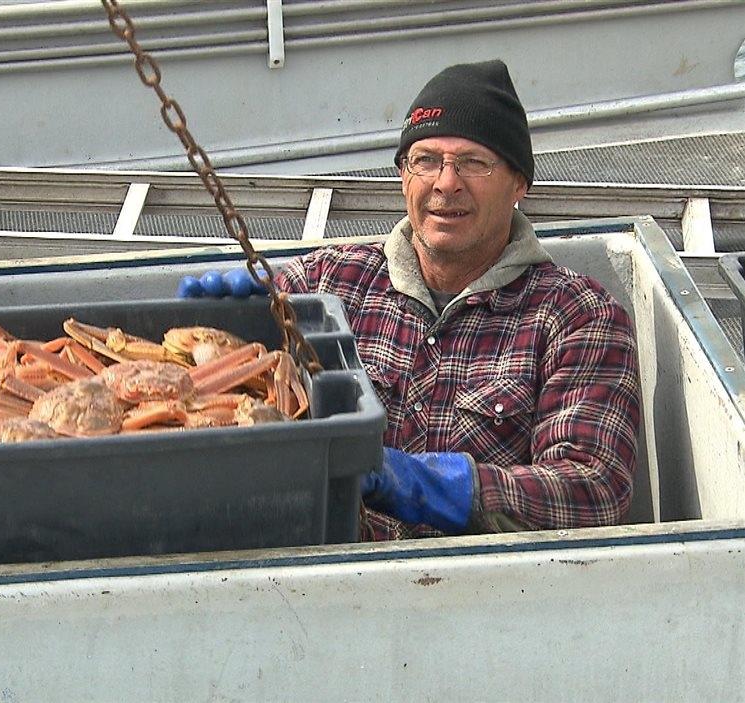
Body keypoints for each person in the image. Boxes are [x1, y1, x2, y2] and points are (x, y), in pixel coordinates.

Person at [182, 60, 641, 540]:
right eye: (426, 160)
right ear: (404, 176)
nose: (446, 183)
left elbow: (596, 489)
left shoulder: (578, 316)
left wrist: (443, 487)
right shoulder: (332, 279)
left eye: (473, 162)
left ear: (519, 183)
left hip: (479, 596)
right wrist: (229, 317)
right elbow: (209, 390)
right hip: (318, 577)